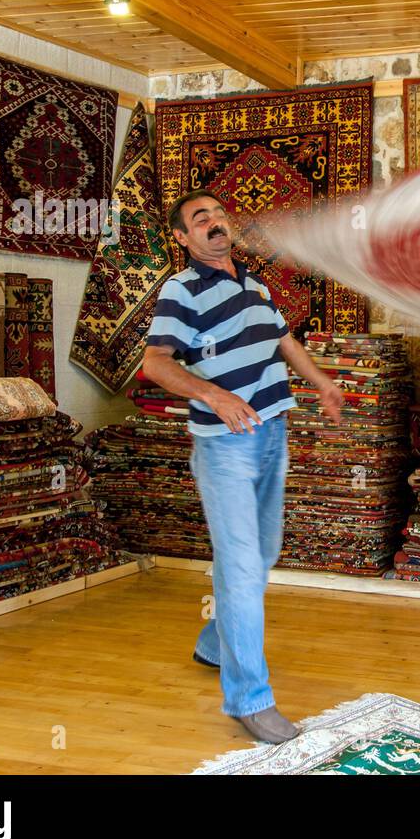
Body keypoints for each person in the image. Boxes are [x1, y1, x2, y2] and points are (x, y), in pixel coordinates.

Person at [142, 189, 345, 743]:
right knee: (240, 567)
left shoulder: (254, 287)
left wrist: (322, 381)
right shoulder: (180, 290)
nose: (214, 223)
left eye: (218, 215)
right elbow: (156, 362)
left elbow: (284, 341)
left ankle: (214, 642)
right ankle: (249, 700)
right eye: (198, 219)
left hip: (272, 431)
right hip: (226, 446)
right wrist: (213, 394)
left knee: (261, 556)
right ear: (182, 238)